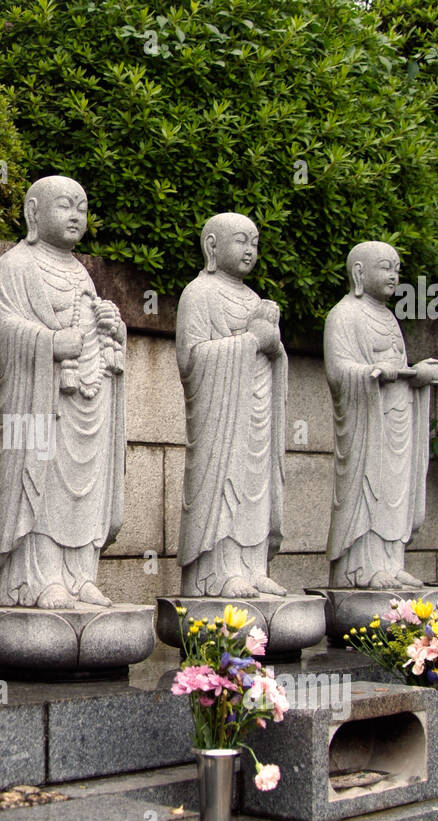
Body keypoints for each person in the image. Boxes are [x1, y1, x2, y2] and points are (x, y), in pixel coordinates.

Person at [0, 176, 126, 608]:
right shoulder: (14, 266)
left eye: (82, 208)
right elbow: (3, 329)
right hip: (39, 402)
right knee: (42, 482)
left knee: (86, 484)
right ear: (33, 212)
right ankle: (38, 575)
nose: (75, 216)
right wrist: (49, 343)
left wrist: (113, 327)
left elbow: (98, 335)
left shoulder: (82, 273)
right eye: (65, 206)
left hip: (87, 398)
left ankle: (79, 572)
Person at [176, 212, 288, 598]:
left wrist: (273, 343)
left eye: (254, 243)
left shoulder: (255, 300)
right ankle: (218, 570)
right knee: (226, 482)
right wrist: (252, 341)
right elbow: (191, 361)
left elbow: (271, 355)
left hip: (255, 413)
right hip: (220, 417)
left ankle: (253, 565)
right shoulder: (199, 293)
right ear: (212, 246)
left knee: (255, 484)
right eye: (241, 240)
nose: (250, 250)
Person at [324, 241, 438, 589]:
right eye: (386, 267)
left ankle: (391, 559)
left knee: (395, 490)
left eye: (397, 268)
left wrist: (416, 375)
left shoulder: (389, 318)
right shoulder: (344, 315)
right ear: (359, 272)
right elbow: (338, 370)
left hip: (396, 417)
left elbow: (398, 367)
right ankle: (361, 566)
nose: (394, 275)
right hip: (367, 422)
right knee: (369, 489)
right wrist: (374, 371)